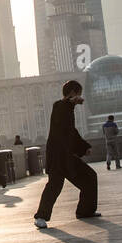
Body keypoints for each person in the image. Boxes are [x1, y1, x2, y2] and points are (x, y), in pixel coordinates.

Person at [33, 80, 99, 228]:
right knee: (55, 186)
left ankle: (85, 210)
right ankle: (41, 217)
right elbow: (63, 112)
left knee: (89, 177)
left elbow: (72, 132)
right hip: (57, 156)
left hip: (68, 156)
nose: (80, 97)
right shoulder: (59, 106)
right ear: (73, 93)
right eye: (78, 94)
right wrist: (71, 102)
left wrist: (84, 147)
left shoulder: (68, 109)